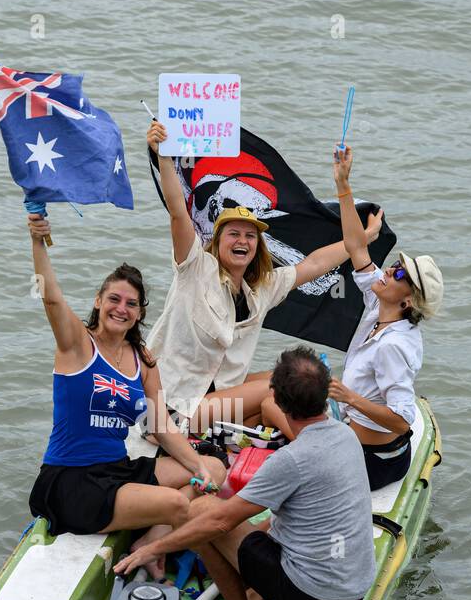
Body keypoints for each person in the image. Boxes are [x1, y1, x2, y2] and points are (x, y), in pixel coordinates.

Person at [114, 346, 375, 600]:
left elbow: (220, 522)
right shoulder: (346, 436)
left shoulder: (291, 460)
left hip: (311, 596)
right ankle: (252, 599)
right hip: (354, 588)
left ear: (275, 399)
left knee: (202, 511)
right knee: (253, 521)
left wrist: (155, 547)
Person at [144, 121, 384, 430]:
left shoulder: (261, 287)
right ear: (216, 243)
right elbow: (178, 212)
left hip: (214, 400)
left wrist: (362, 238)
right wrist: (165, 157)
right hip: (168, 409)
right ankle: (317, 449)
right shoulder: (195, 267)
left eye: (250, 236)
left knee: (287, 380)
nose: (242, 241)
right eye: (233, 234)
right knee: (283, 387)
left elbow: (313, 265)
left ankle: (307, 444)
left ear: (259, 247)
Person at [25, 213, 225, 537]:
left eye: (131, 304)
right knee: (176, 504)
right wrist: (37, 242)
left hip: (119, 469)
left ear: (139, 314)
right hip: (72, 479)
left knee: (214, 467)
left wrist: (199, 467)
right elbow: (50, 298)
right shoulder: (77, 344)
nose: (121, 308)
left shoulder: (143, 360)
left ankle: (148, 543)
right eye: (114, 299)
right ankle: (150, 551)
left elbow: (161, 426)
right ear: (98, 301)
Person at [263, 145, 443, 490]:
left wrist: (350, 398)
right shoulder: (379, 306)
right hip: (354, 437)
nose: (390, 270)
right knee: (278, 402)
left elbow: (403, 422)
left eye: (401, 274)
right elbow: (356, 248)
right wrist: (343, 186)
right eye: (395, 265)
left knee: (273, 406)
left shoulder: (394, 345)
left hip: (371, 462)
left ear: (409, 302)